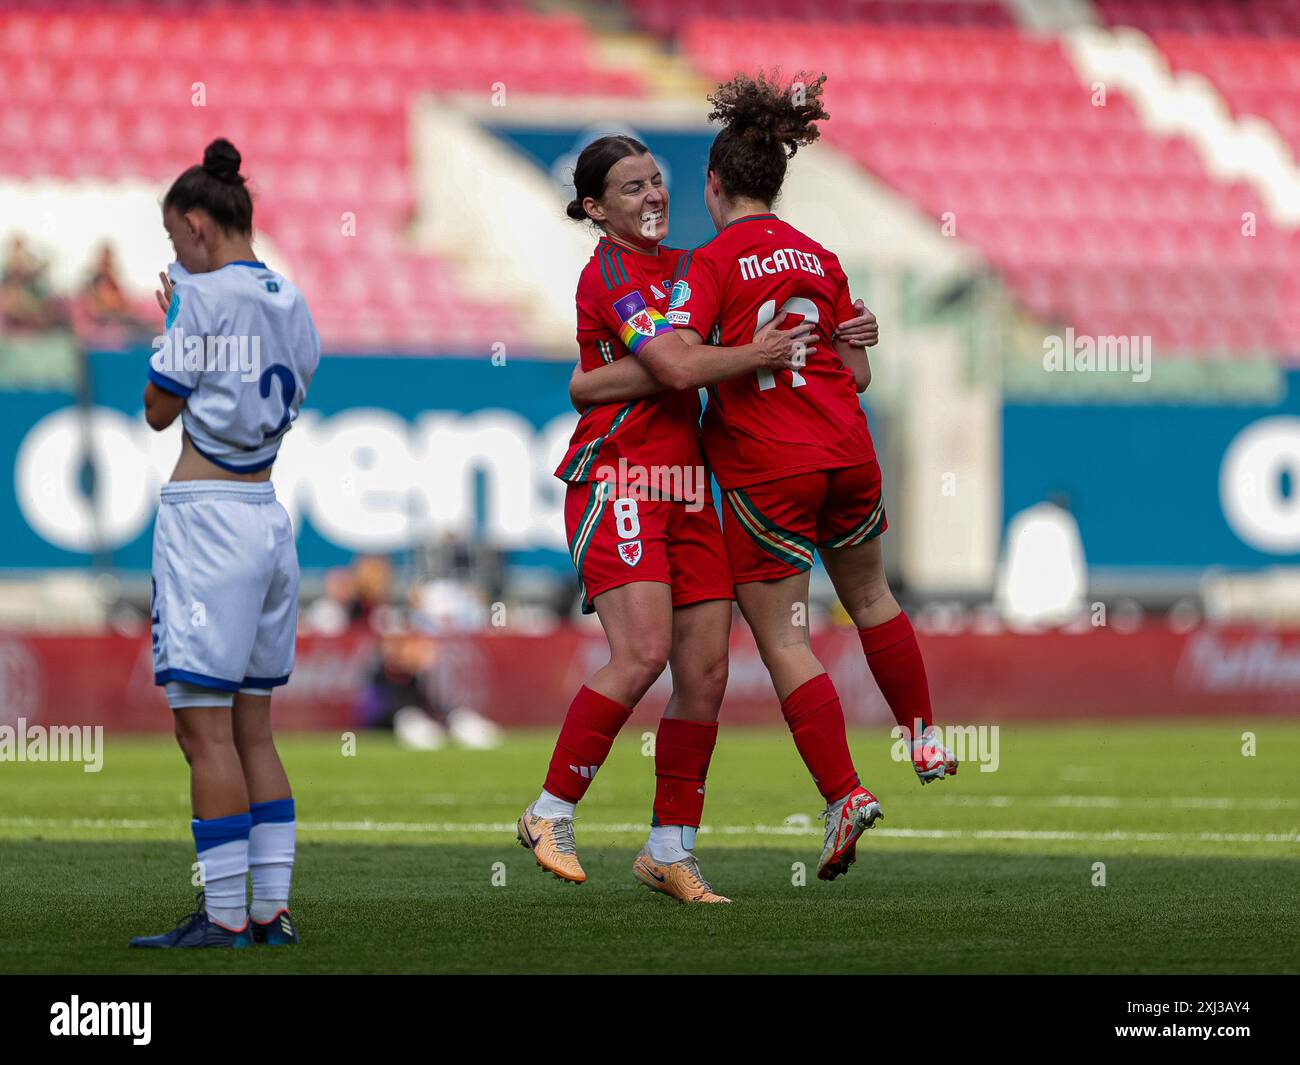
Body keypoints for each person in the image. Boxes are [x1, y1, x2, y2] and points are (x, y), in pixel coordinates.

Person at [571, 72, 957, 883]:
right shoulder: (820, 255)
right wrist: (858, 336)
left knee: (785, 635)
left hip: (765, 468)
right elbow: (858, 370)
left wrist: (591, 383)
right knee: (875, 598)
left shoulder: (707, 264)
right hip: (848, 451)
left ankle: (845, 792)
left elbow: (677, 363)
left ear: (714, 186)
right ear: (777, 180)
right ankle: (923, 732)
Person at [516, 133, 821, 905]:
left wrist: (845, 324)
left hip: (688, 483)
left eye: (657, 181)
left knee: (708, 670)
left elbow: (672, 360)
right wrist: (743, 354)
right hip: (619, 475)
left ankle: (668, 847)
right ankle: (549, 809)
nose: (653, 196)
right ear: (594, 208)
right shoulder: (610, 273)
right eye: (631, 189)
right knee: (645, 650)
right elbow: (681, 366)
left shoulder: (696, 264)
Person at [130, 138, 320, 947]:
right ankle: (270, 911)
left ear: (199, 226)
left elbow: (156, 409)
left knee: (200, 730)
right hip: (268, 514)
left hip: (207, 518)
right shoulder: (293, 300)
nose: (178, 255)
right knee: (254, 728)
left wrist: (176, 313)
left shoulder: (203, 301)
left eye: (177, 240)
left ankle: (221, 915)